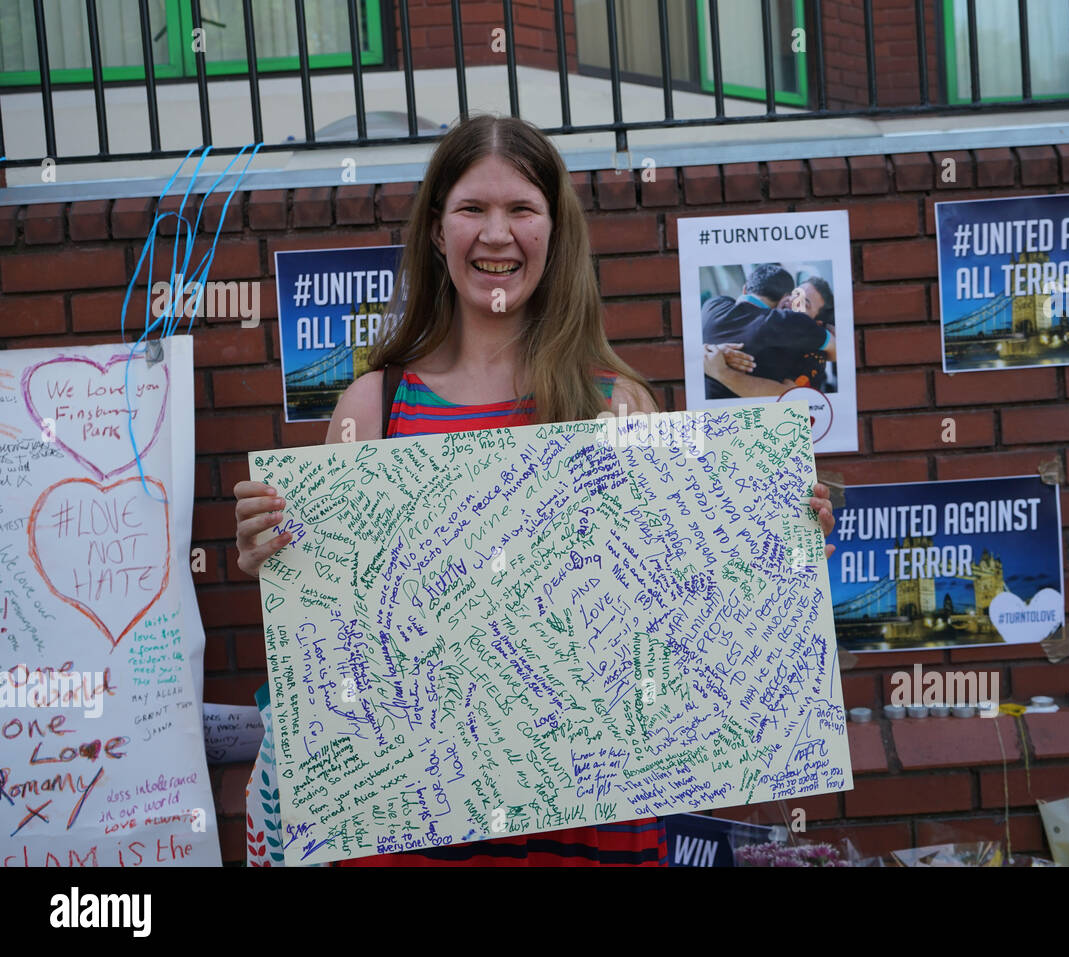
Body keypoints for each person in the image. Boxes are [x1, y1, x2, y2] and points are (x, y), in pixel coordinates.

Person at [233, 114, 837, 866]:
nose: (496, 234)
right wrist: (283, 562)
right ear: (434, 230)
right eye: (472, 209)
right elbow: (348, 643)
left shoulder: (617, 404)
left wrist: (775, 535)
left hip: (586, 816)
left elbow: (674, 614)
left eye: (521, 209)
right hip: (421, 821)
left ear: (555, 233)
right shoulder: (371, 408)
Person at [703, 269, 836, 399]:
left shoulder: (812, 356)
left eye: (803, 303)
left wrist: (721, 371)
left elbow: (790, 398)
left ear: (818, 323)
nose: (791, 301)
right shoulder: (727, 308)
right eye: (794, 294)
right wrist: (710, 351)